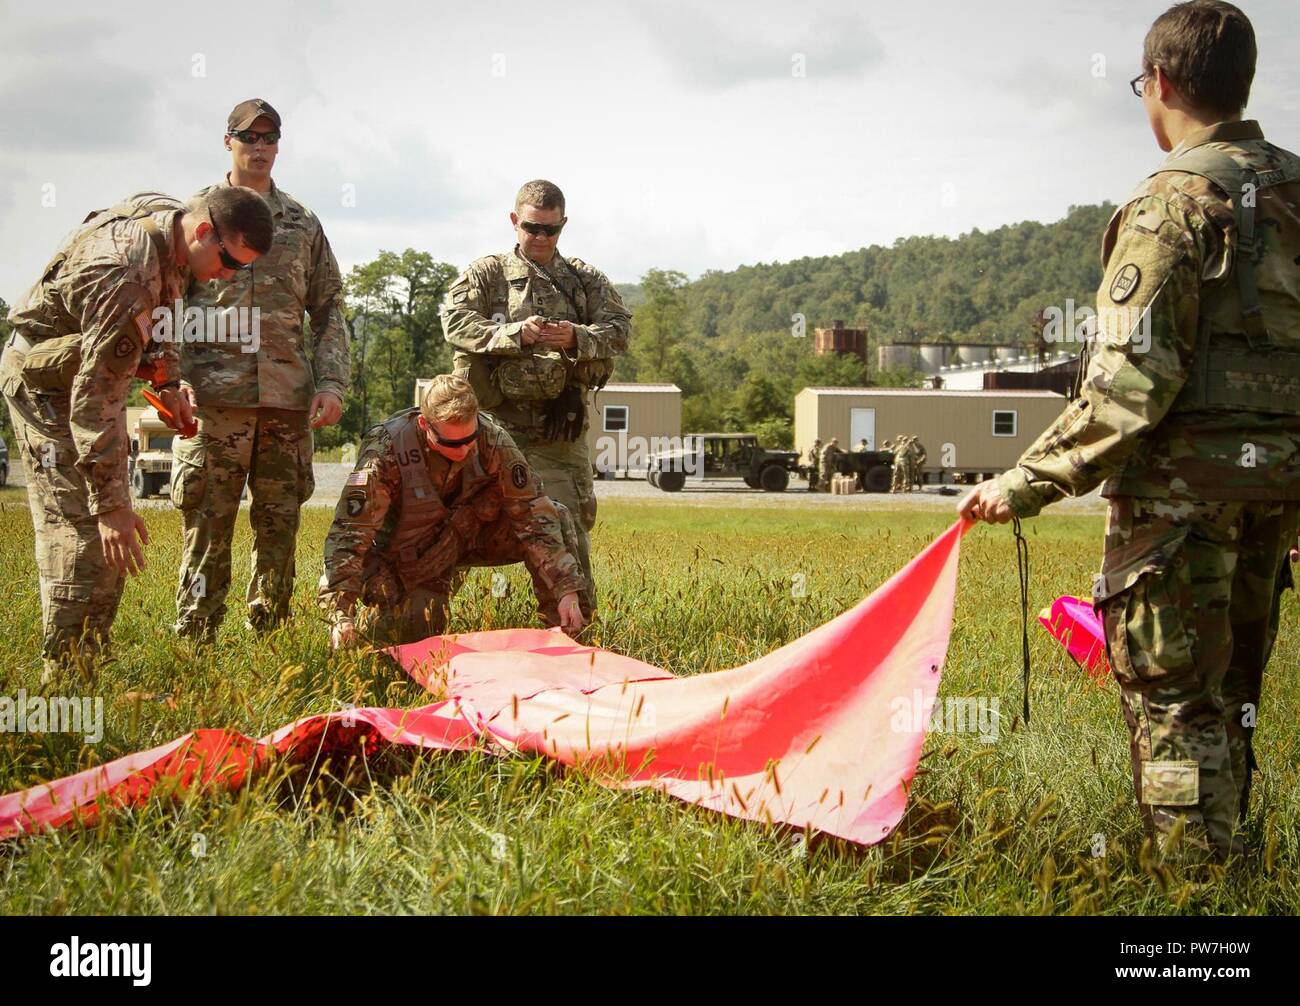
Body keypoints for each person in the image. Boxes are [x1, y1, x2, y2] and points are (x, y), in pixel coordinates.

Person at [960, 0, 1300, 862]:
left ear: (1165, 84)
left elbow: (1126, 388)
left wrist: (1026, 480)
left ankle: (1198, 904)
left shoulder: (1170, 204)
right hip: (1276, 492)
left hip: (1180, 505)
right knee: (1233, 692)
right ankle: (1229, 862)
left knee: (1176, 702)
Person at [1, 187, 272, 676]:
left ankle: (90, 663)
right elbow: (95, 401)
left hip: (79, 373)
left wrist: (168, 385)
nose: (228, 277)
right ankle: (65, 681)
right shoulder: (125, 273)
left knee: (107, 535)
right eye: (230, 262)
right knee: (85, 531)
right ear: (205, 231)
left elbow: (165, 310)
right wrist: (112, 505)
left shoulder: (174, 230)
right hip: (43, 385)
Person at [172, 99, 351, 642]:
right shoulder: (196, 217)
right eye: (248, 137)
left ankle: (269, 640)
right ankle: (195, 640)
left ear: (279, 145)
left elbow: (329, 308)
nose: (260, 147)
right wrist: (172, 377)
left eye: (269, 138)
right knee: (207, 526)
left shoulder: (301, 222)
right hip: (212, 402)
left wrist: (332, 383)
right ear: (227, 141)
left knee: (279, 527)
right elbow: (166, 298)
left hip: (284, 402)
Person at [440, 180, 630, 612]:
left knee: (569, 525)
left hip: (556, 431)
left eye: (551, 230)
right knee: (454, 520)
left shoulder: (584, 280)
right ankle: (424, 618)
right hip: (489, 427)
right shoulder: (486, 275)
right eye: (532, 228)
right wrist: (513, 334)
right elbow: (455, 323)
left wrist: (577, 337)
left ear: (563, 225)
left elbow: (620, 332)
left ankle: (571, 629)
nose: (541, 238)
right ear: (514, 222)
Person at [319, 375, 589, 647]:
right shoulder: (387, 451)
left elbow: (534, 515)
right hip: (412, 560)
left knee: (557, 514)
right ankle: (372, 625)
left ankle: (570, 636)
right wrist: (340, 611)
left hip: (468, 534)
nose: (463, 450)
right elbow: (351, 533)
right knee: (416, 635)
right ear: (424, 424)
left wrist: (565, 589)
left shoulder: (492, 439)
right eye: (451, 443)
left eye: (468, 439)